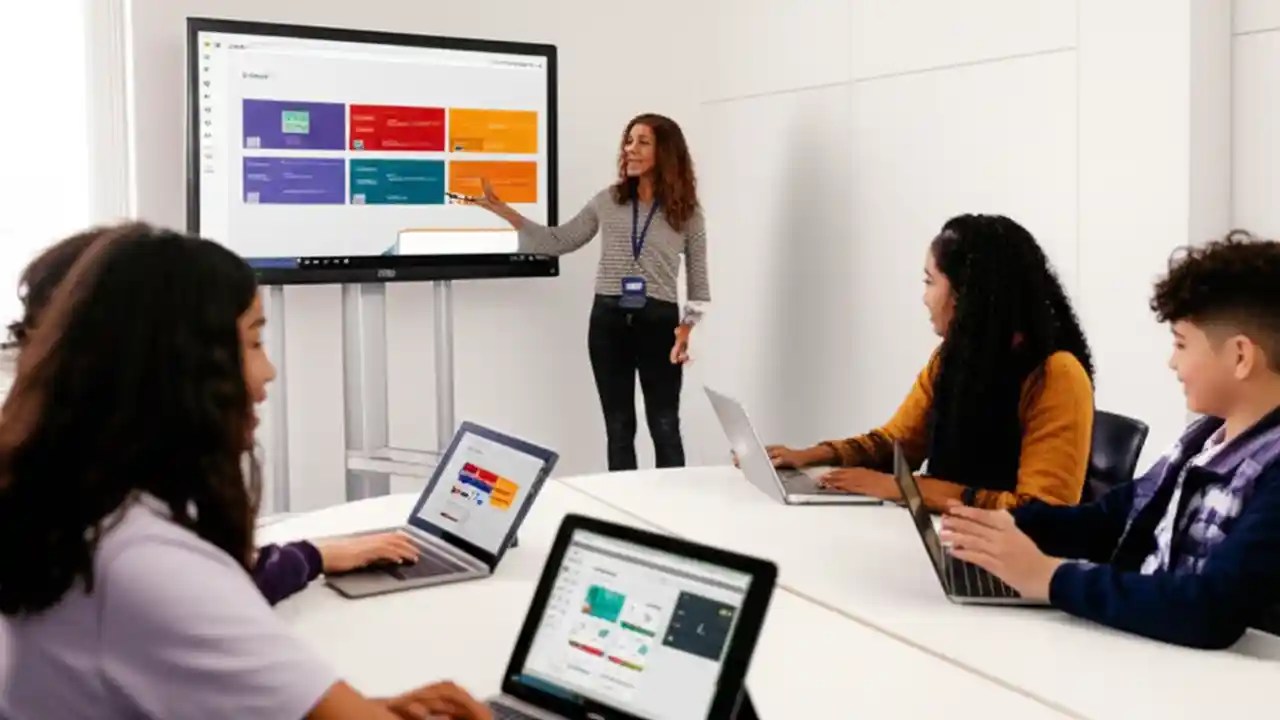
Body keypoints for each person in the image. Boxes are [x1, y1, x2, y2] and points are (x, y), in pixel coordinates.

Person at [0, 223, 491, 719]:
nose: (269, 372)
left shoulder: (71, 513)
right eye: (254, 342)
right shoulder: (149, 564)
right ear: (186, 369)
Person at [4, 228, 418, 606]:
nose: (268, 371)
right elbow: (198, 595)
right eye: (252, 342)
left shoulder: (53, 492)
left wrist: (311, 555)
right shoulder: (124, 543)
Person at [941, 231, 1280, 648]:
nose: (1172, 361)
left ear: (1240, 356)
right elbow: (1111, 519)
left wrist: (1048, 578)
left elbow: (1209, 610)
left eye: (1181, 343)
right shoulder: (1205, 440)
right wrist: (1003, 526)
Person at [763, 214, 1095, 510]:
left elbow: (1042, 513)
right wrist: (810, 457)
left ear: (966, 293)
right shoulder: (953, 357)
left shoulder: (1057, 375)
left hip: (1006, 566)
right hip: (951, 541)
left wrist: (909, 489)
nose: (924, 297)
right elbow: (898, 444)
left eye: (929, 281)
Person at [469, 113, 708, 471]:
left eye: (642, 142)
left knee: (665, 427)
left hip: (660, 324)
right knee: (619, 428)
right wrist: (508, 213)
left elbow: (699, 284)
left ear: (666, 152)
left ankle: (672, 511)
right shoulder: (607, 201)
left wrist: (685, 330)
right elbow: (558, 240)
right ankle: (624, 514)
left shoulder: (686, 212)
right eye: (628, 141)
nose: (631, 149)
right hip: (607, 322)